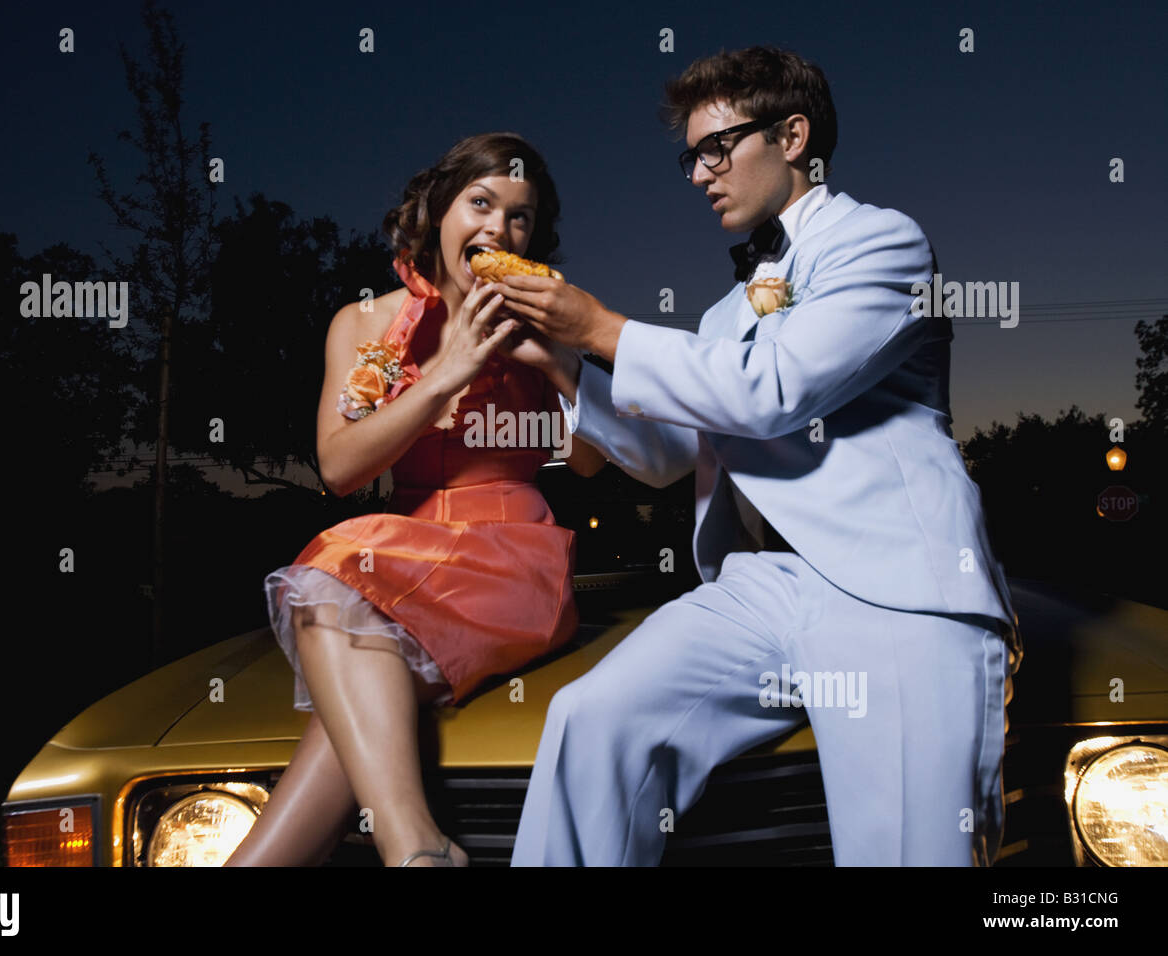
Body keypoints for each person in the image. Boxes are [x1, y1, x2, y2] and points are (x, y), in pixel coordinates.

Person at [499, 46, 1023, 866]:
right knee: (589, 720)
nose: (699, 173)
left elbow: (772, 388)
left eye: (718, 148)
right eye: (690, 156)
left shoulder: (885, 244)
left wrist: (598, 326)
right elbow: (669, 455)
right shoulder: (721, 314)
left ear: (793, 135)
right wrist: (562, 364)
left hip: (892, 592)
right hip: (757, 589)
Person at [223, 132, 605, 868]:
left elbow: (588, 462)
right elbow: (339, 467)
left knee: (333, 579)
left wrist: (558, 361)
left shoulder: (543, 322)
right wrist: (441, 374)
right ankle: (419, 852)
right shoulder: (366, 326)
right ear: (438, 211)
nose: (499, 228)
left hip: (514, 560)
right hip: (399, 559)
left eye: (520, 217)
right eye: (482, 203)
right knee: (348, 611)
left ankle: (413, 847)